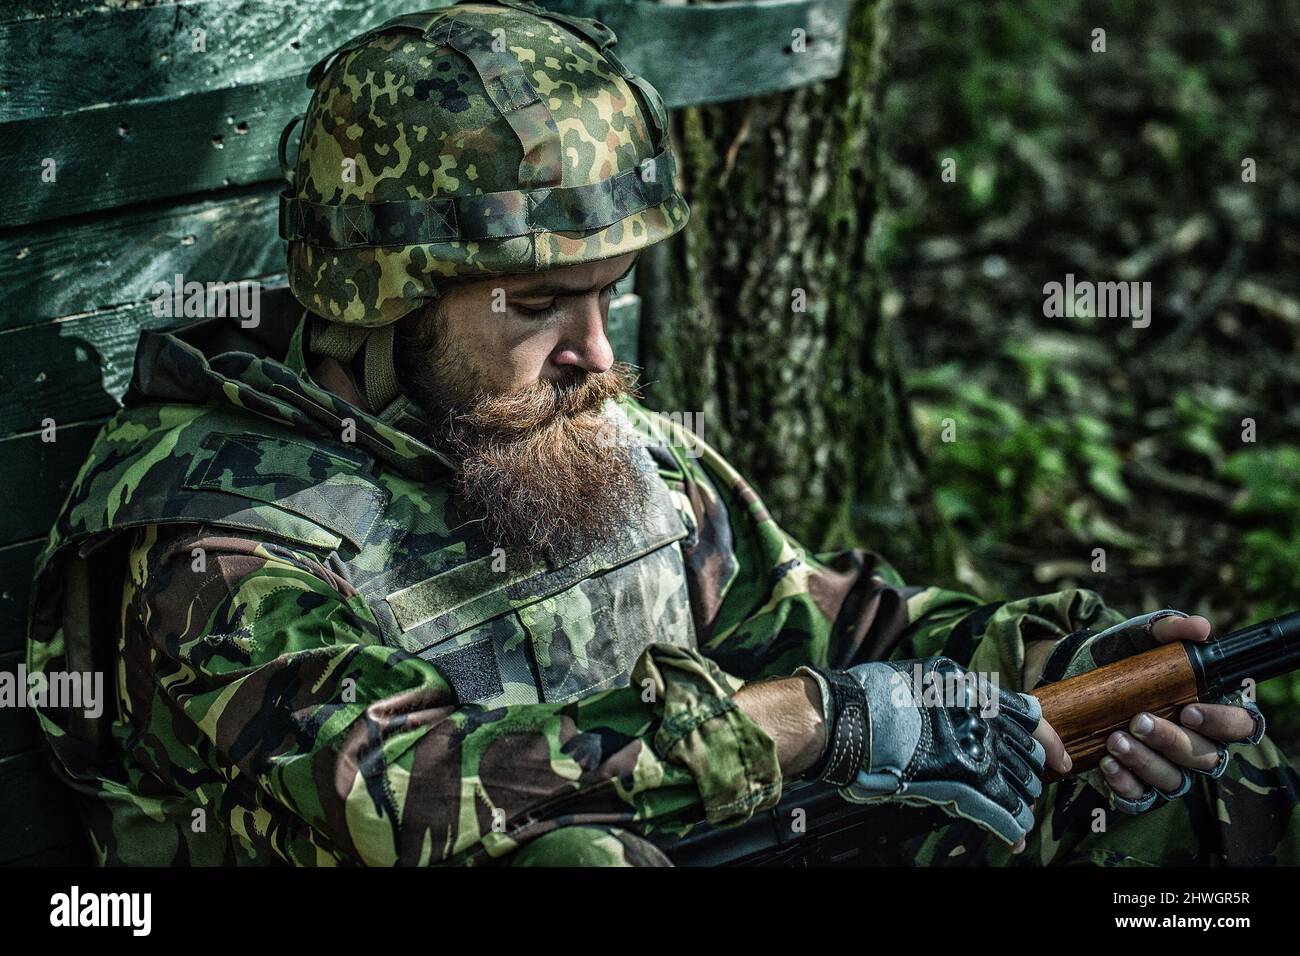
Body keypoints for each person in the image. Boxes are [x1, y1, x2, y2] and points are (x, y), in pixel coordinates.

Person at [26, 0, 1297, 867]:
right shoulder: (214, 531)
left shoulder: (567, 423)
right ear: (381, 297)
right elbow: (395, 795)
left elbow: (816, 619)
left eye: (610, 290)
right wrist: (809, 725)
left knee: (1183, 799)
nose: (597, 354)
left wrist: (1058, 667)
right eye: (536, 304)